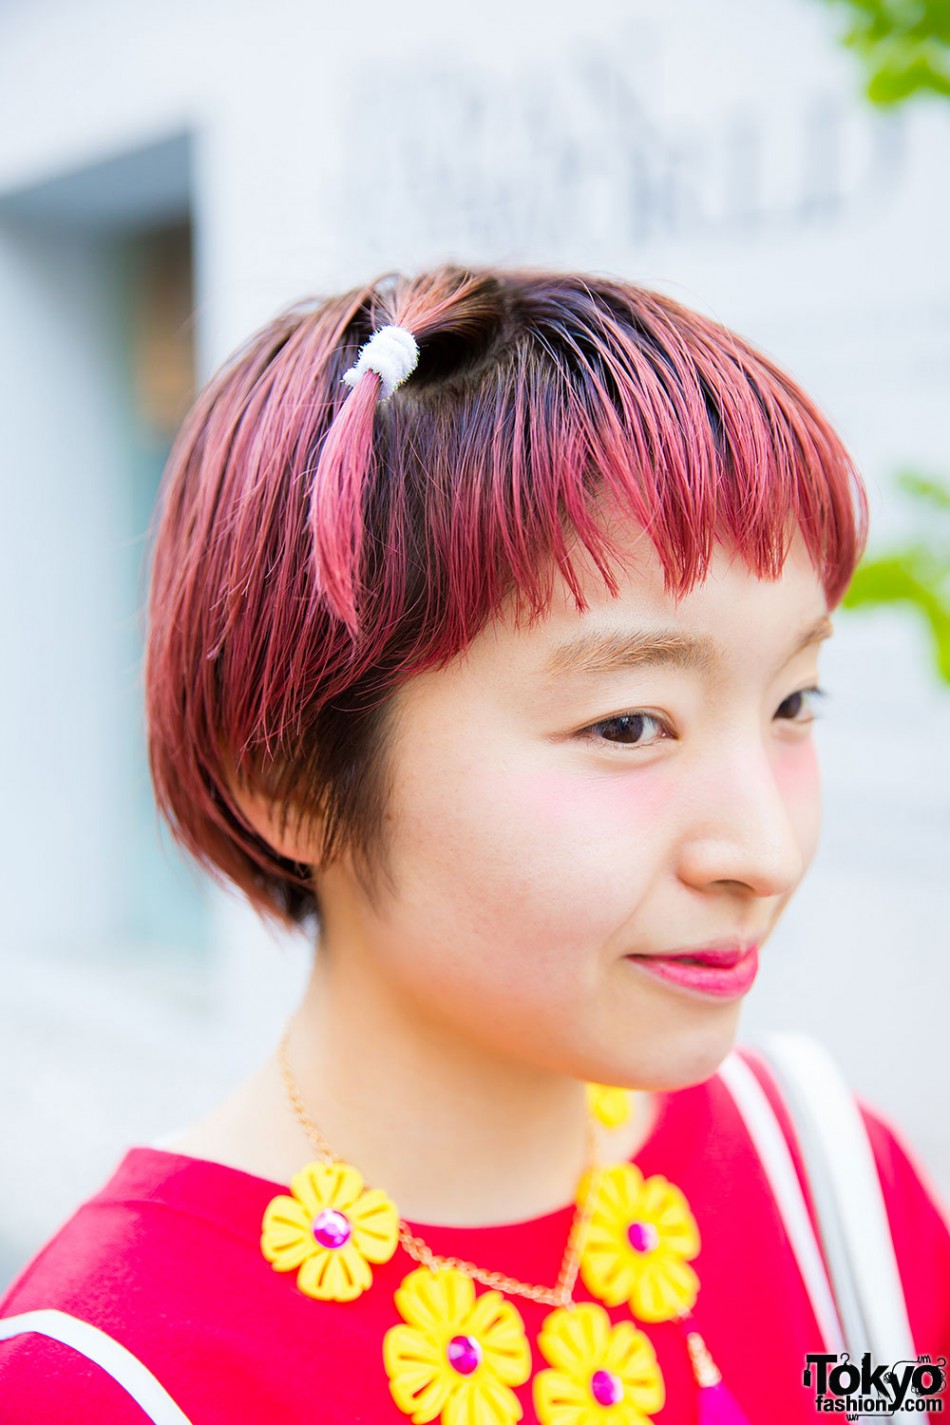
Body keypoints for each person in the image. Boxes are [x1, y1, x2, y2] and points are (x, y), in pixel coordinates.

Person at [1, 265, 947, 1424]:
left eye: (792, 703)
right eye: (627, 723)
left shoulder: (827, 1191)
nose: (763, 848)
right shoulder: (114, 1379)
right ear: (290, 776)